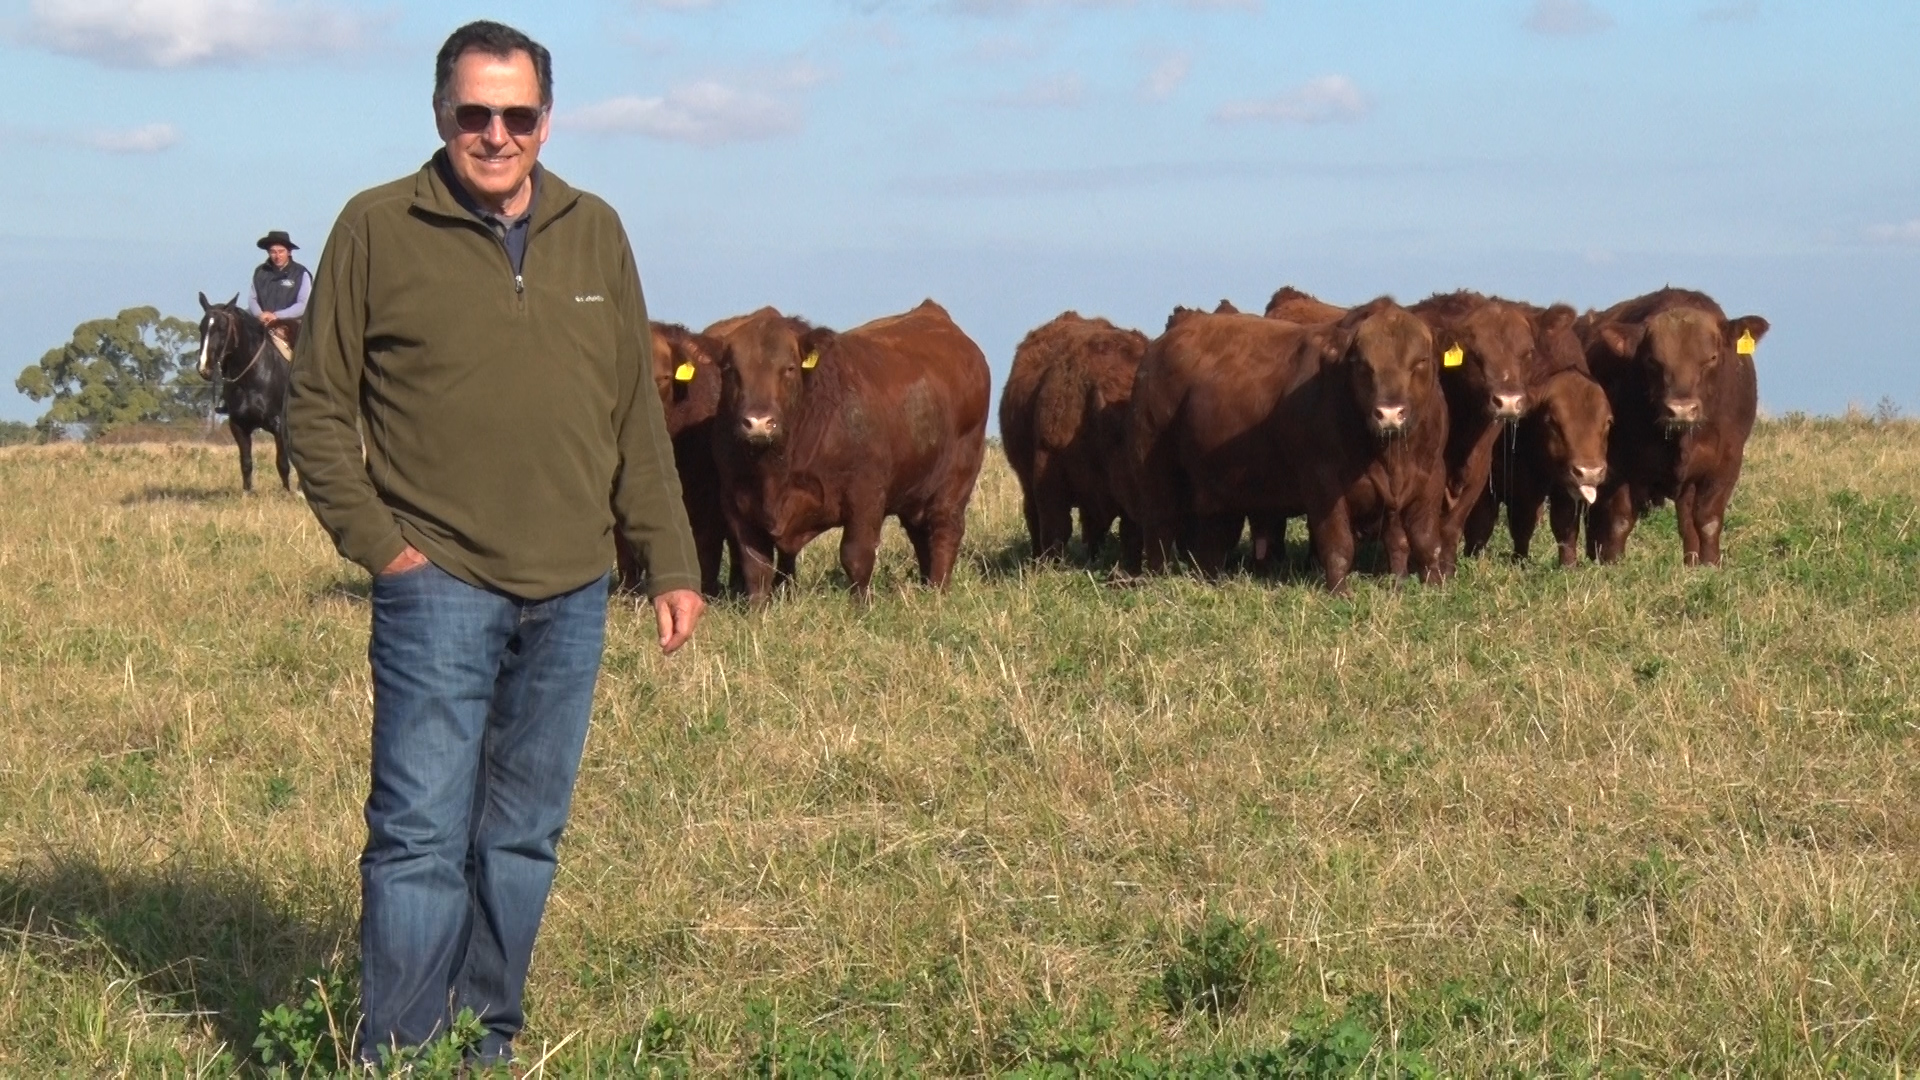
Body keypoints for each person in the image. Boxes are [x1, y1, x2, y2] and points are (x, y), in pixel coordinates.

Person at [285, 19, 706, 1068]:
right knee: (421, 838)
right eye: (475, 113)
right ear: (441, 116)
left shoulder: (595, 229)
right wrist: (384, 549)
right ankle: (400, 1055)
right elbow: (317, 410)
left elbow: (633, 416)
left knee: (521, 840)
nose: (495, 134)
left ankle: (483, 1043)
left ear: (546, 122)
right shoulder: (377, 227)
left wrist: (674, 557)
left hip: (572, 589)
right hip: (440, 582)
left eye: (517, 115)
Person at [246, 230, 310, 358]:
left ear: (289, 252)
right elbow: (252, 298)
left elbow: (303, 304)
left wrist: (277, 316)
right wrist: (260, 315)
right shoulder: (260, 272)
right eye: (273, 252)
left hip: (291, 325)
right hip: (262, 322)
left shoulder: (301, 273)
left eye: (281, 251)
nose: (277, 256)